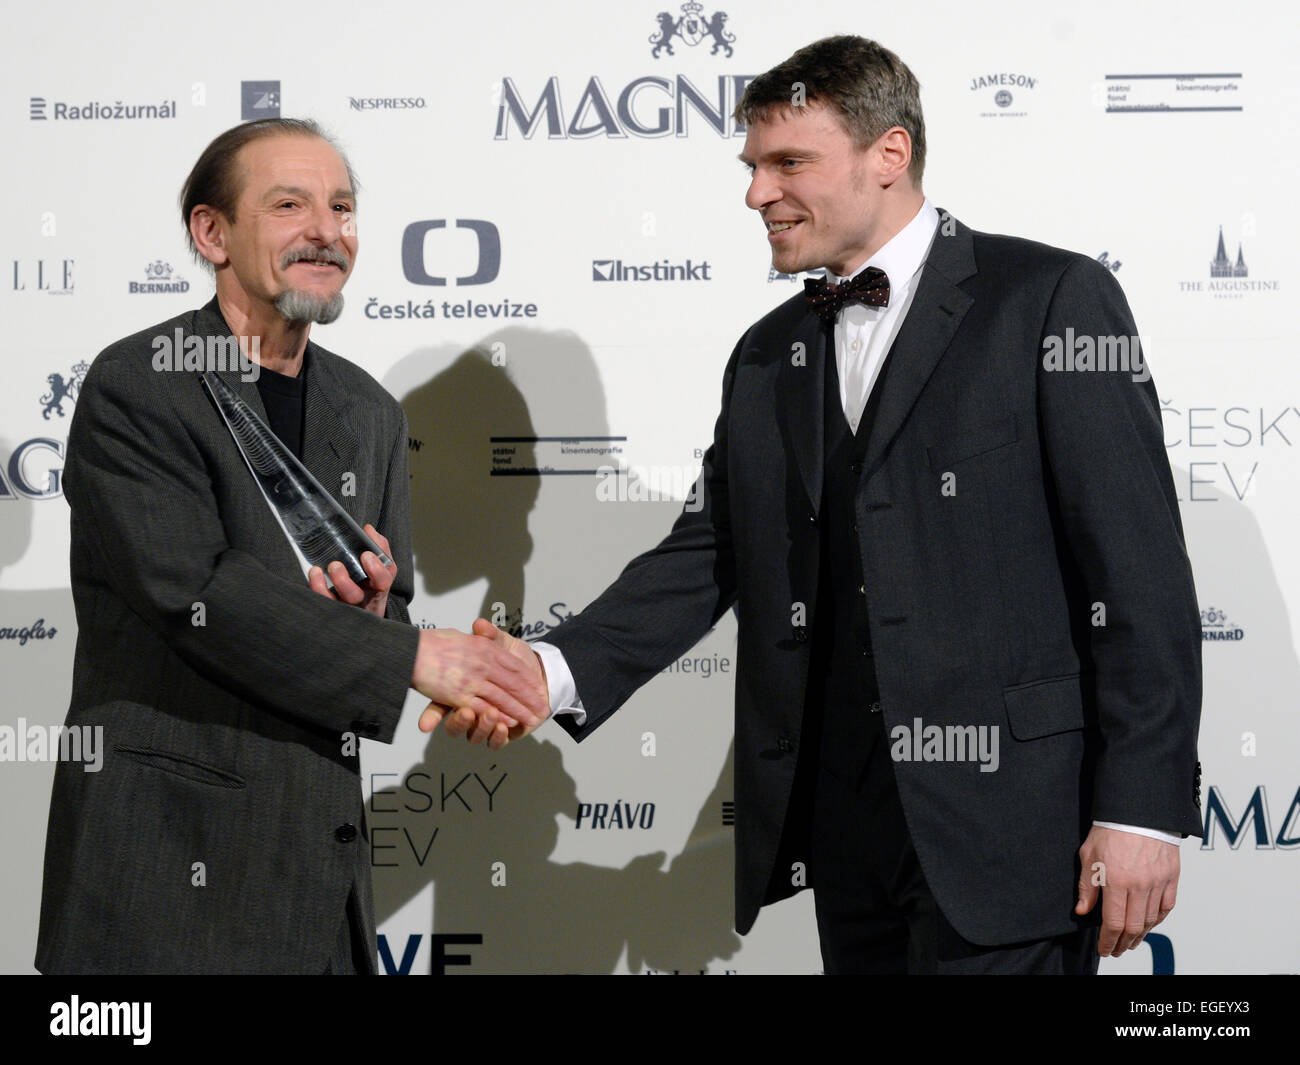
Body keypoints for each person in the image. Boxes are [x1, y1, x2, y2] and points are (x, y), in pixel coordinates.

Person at [438, 36, 1203, 974]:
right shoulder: (766, 353)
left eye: (787, 162)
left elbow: (1141, 578)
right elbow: (710, 551)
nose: (756, 193)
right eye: (753, 166)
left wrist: (1141, 807)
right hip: (844, 835)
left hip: (1015, 833)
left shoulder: (1048, 300)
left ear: (890, 154)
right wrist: (547, 671)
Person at [36, 118, 546, 975]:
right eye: (289, 204)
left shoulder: (370, 411)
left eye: (342, 207)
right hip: (163, 870)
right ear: (213, 233)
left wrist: (381, 613)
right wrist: (416, 656)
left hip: (319, 874)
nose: (327, 230)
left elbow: (388, 609)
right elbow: (194, 591)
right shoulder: (141, 381)